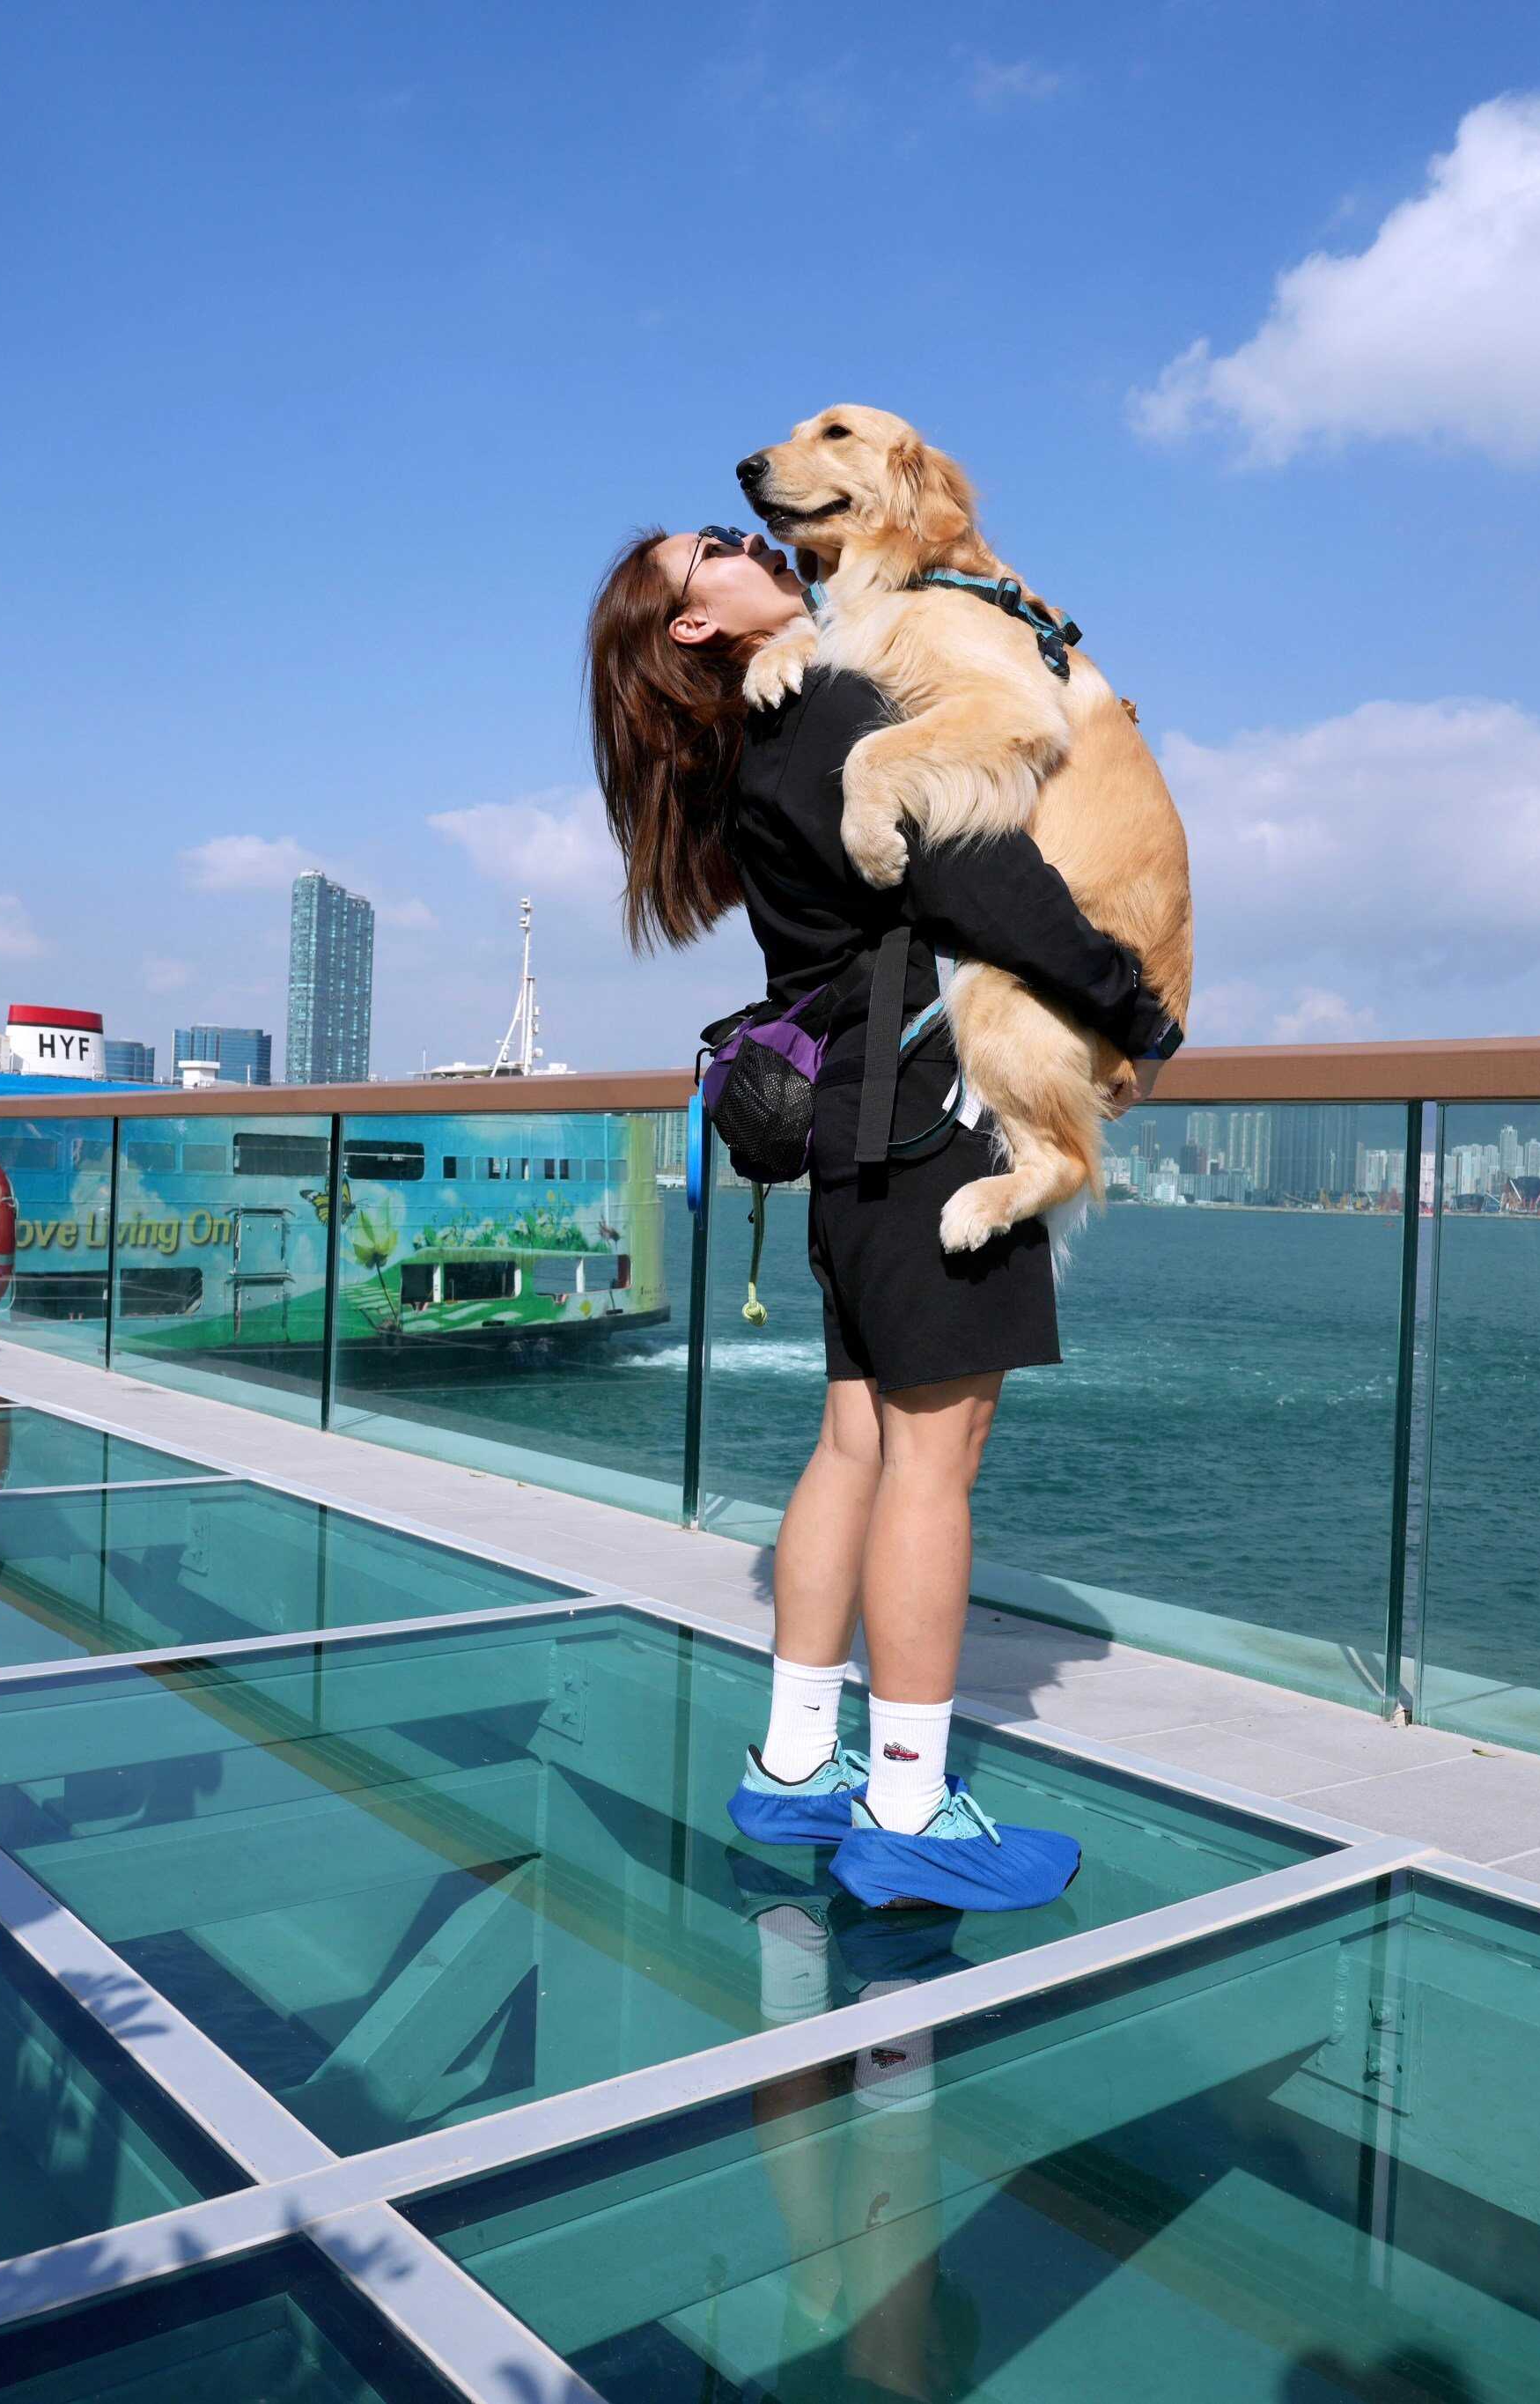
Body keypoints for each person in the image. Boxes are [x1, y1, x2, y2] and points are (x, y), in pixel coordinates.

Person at [585, 524, 1179, 1913]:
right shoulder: (839, 708)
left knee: (853, 1441)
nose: (754, 538)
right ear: (691, 626)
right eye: (714, 550)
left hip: (848, 1124)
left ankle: (797, 1763)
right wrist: (1130, 1002)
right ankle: (908, 1808)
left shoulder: (749, 746)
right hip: (930, 1121)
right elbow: (981, 878)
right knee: (930, 1462)